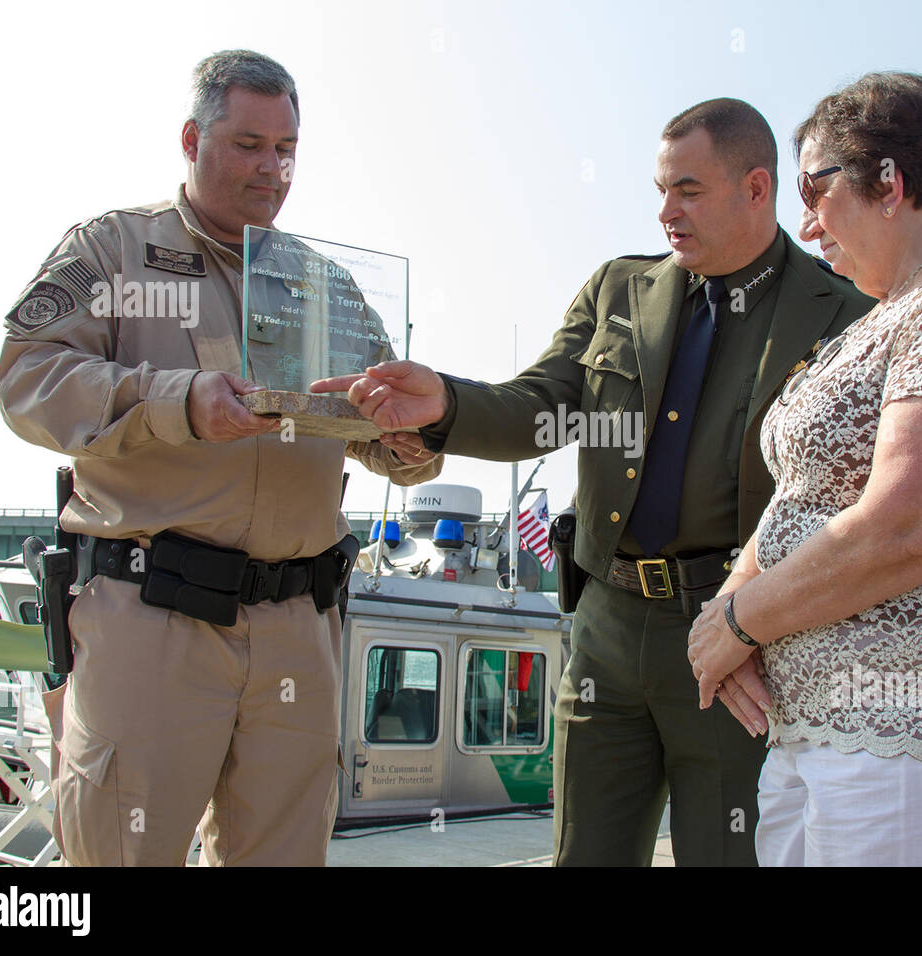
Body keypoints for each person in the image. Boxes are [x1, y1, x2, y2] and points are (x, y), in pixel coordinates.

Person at [314, 98, 874, 865]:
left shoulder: (844, 311)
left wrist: (757, 622)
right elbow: (537, 406)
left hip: (738, 639)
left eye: (688, 190)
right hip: (605, 633)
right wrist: (445, 400)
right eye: (659, 191)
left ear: (756, 188)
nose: (666, 213)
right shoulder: (619, 290)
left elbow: (851, 503)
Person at [0, 49, 441, 866]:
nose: (272, 168)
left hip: (298, 628)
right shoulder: (113, 252)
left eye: (287, 148)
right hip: (153, 619)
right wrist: (178, 401)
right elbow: (28, 378)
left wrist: (409, 442)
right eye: (247, 144)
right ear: (192, 138)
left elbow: (387, 442)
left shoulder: (326, 284)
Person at [685, 72, 922, 866]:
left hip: (914, 721)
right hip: (821, 724)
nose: (806, 222)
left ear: (888, 181)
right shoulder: (887, 314)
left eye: (815, 189)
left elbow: (905, 526)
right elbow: (804, 496)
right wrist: (718, 621)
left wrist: (738, 622)